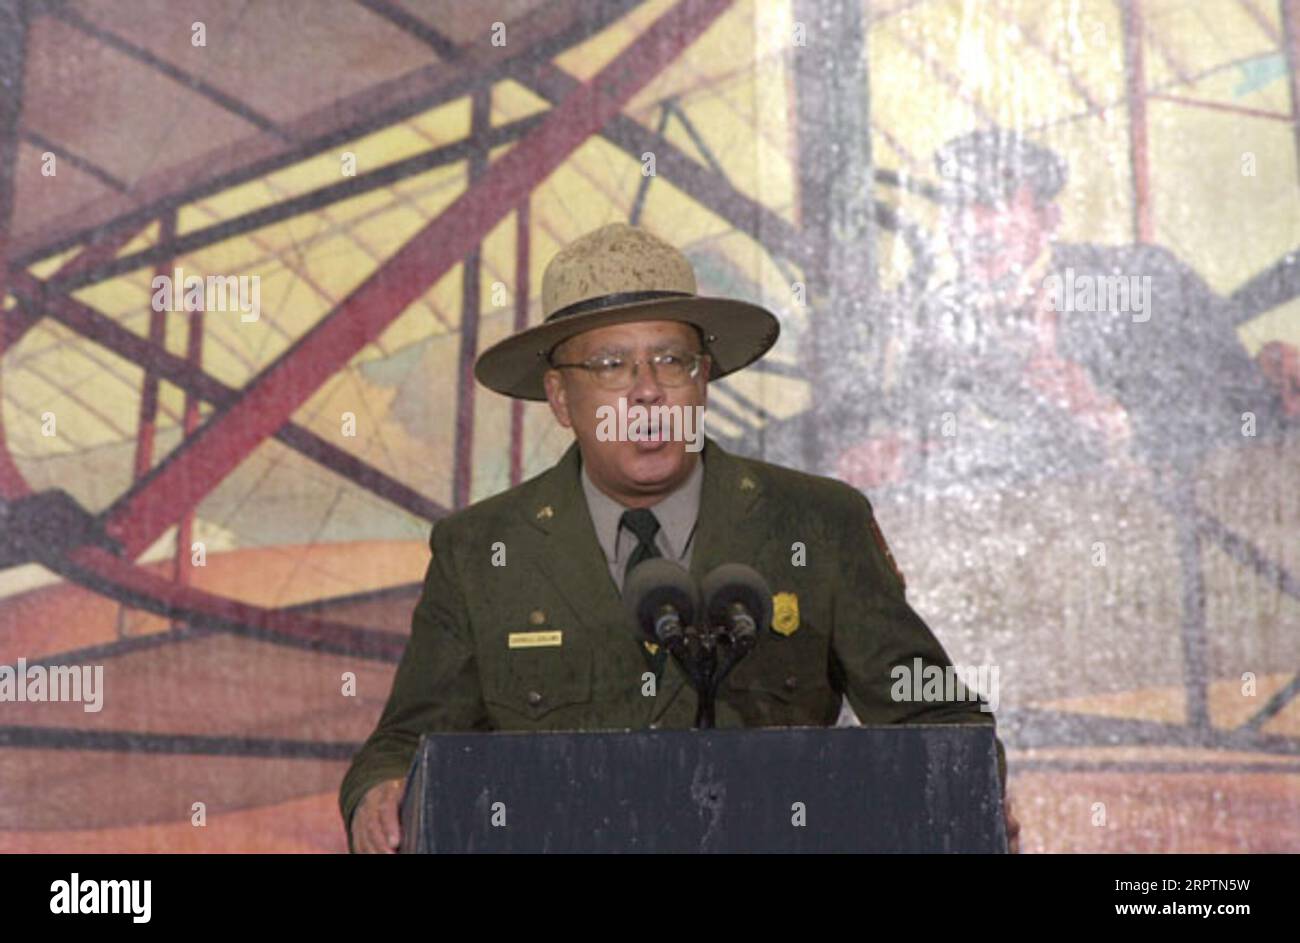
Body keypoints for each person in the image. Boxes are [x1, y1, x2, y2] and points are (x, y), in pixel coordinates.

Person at [340, 222, 1013, 853]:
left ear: (705, 379)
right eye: (610, 365)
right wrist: (382, 791)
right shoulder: (481, 549)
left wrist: (974, 784)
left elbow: (933, 709)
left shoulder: (817, 523)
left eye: (672, 359)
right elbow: (404, 741)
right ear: (559, 396)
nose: (647, 392)